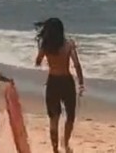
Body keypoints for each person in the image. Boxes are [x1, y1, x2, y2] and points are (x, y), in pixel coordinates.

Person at [35, 18, 84, 153]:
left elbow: (38, 62)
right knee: (70, 116)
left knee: (54, 118)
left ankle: (55, 149)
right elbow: (77, 65)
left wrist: (42, 51)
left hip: (52, 82)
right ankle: (66, 144)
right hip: (66, 82)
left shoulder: (46, 46)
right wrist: (81, 83)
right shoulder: (68, 44)